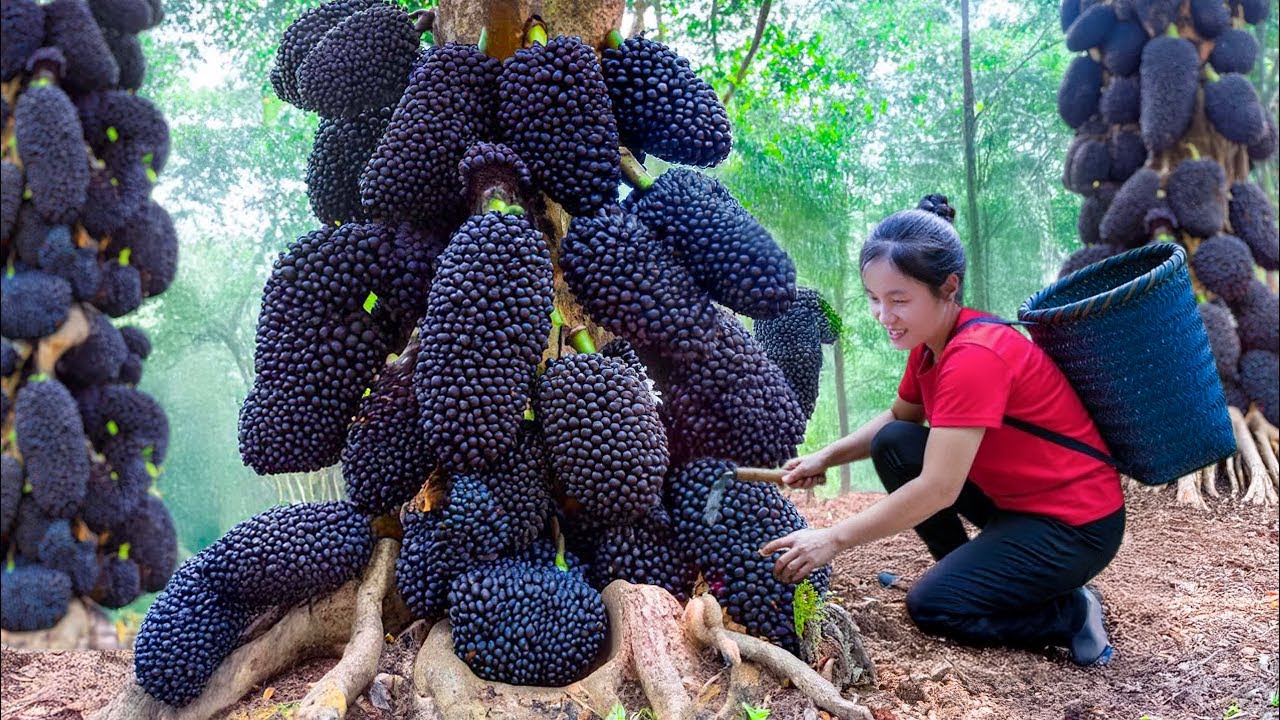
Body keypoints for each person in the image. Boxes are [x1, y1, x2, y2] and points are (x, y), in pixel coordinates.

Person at [760, 197, 1124, 666]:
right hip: (1017, 505)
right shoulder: (930, 344)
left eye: (899, 300)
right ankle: (970, 574)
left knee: (934, 607)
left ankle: (1070, 611)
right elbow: (897, 421)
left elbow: (938, 488)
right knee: (895, 445)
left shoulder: (975, 355)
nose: (883, 315)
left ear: (948, 287)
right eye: (874, 298)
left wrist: (833, 539)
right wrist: (824, 457)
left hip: (1074, 525)